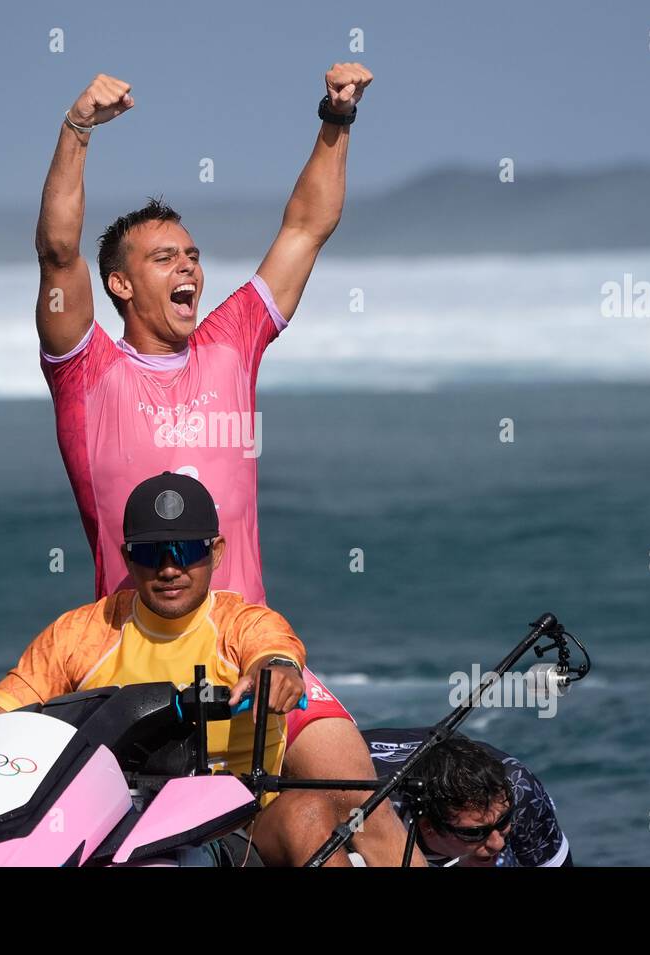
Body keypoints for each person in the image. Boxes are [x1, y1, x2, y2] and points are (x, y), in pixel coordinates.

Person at [30, 67, 414, 865]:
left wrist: (336, 119)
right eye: (165, 257)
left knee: (370, 819)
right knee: (257, 846)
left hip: (259, 659)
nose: (190, 270)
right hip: (139, 674)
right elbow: (57, 247)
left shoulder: (232, 342)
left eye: (194, 255)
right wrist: (78, 128)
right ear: (120, 283)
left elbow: (306, 227)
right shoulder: (84, 371)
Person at [0, 472, 353, 866]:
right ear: (127, 558)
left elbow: (274, 654)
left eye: (186, 550)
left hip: (237, 822)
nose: (169, 568)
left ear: (215, 553)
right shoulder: (79, 633)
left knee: (310, 811)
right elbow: (3, 706)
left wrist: (274, 673)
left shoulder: (246, 623)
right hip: (110, 820)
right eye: (151, 552)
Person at [363, 729, 573, 867]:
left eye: (502, 822)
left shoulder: (519, 790)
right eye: (475, 833)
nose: (497, 843)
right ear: (428, 827)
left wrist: (491, 829)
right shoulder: (372, 810)